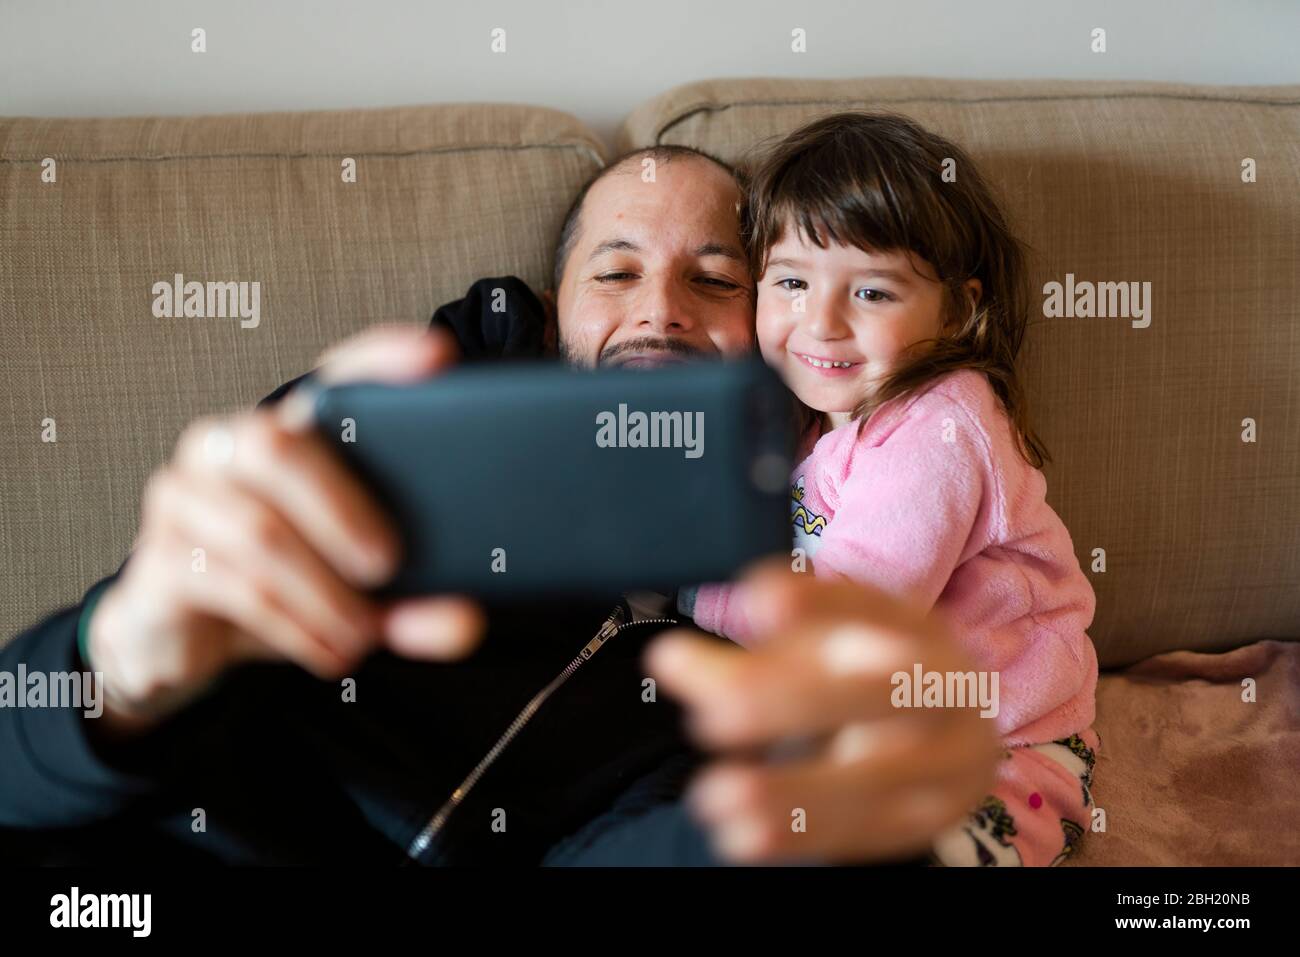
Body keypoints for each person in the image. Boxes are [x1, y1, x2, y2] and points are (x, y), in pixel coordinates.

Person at [0, 146, 999, 866]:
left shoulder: (808, 563)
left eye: (714, 278)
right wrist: (117, 660)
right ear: (554, 301)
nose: (658, 310)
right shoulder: (409, 416)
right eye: (614, 272)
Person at [678, 114, 1100, 865]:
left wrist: (693, 587)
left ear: (960, 310)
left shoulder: (943, 423)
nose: (822, 321)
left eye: (871, 292)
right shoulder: (813, 423)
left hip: (1006, 751)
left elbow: (851, 611)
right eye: (792, 282)